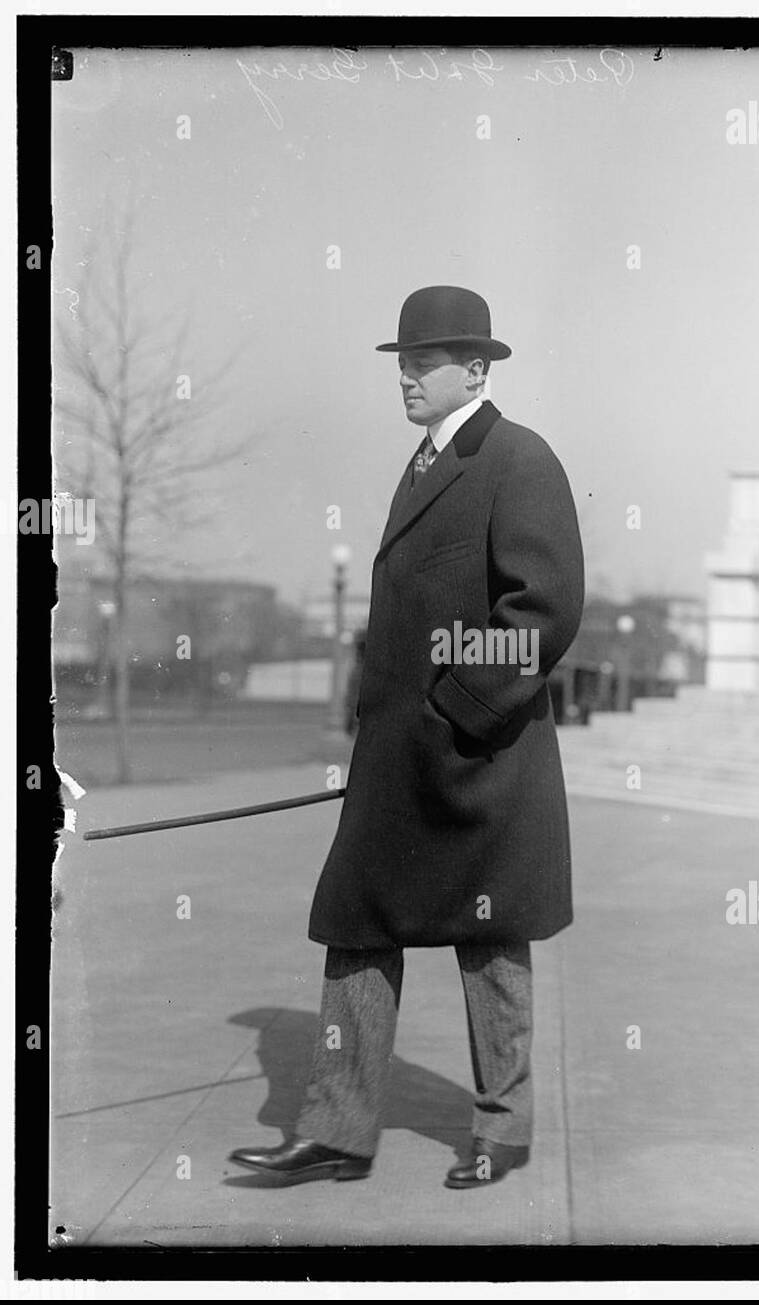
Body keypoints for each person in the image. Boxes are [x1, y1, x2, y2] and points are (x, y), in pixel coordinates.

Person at [230, 286, 585, 1189]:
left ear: (477, 368)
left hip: (480, 763)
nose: (407, 376)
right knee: (355, 928)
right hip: (399, 768)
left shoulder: (518, 459)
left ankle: (503, 1131)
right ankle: (337, 1131)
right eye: (402, 361)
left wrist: (455, 710)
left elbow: (541, 612)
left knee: (491, 944)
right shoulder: (424, 465)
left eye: (425, 361)